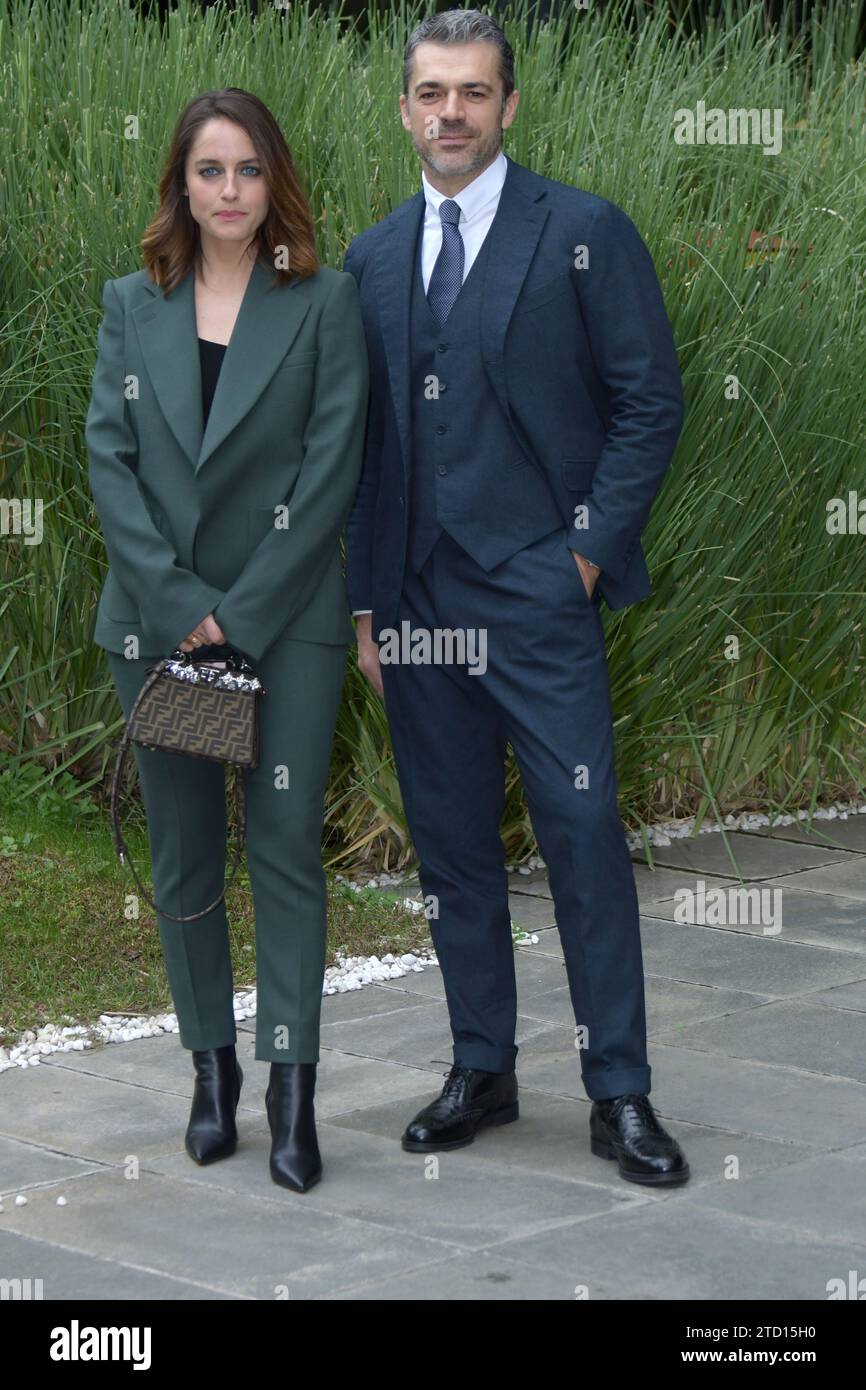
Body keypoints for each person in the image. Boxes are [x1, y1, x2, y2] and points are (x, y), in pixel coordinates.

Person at [344, 11, 689, 1185]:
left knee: (583, 834)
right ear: (404, 109)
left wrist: (583, 555)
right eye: (431, 93)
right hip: (416, 602)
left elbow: (650, 403)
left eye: (473, 93)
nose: (451, 113)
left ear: (507, 106)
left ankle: (620, 1090)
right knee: (449, 846)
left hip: (539, 598)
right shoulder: (373, 257)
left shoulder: (582, 232)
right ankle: (480, 1067)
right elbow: (360, 449)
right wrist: (360, 607)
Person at [86, 88, 369, 1193]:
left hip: (283, 627)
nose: (230, 192)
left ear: (273, 181)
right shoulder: (131, 304)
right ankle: (213, 1079)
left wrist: (238, 616)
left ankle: (292, 1090)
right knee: (186, 859)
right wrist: (179, 608)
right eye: (210, 171)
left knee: (287, 852)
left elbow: (330, 466)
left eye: (249, 171)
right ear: (182, 184)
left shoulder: (322, 301)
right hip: (160, 630)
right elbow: (110, 462)